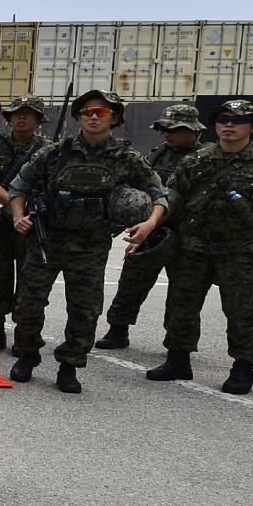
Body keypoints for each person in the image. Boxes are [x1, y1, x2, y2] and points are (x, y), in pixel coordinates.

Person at [142, 99, 253, 395]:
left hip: (240, 251)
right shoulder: (197, 161)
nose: (229, 125)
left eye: (238, 120)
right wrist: (150, 224)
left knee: (244, 311)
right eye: (223, 119)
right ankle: (178, 359)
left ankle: (243, 368)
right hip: (193, 247)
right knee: (182, 305)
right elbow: (172, 198)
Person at [6, 89, 166, 393]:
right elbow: (19, 187)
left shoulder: (126, 158)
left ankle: (70, 365)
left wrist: (149, 223)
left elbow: (160, 195)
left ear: (114, 119)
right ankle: (27, 355)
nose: (94, 117)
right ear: (79, 116)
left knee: (84, 310)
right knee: (27, 304)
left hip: (91, 246)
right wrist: (18, 217)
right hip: (47, 240)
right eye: (88, 112)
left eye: (102, 113)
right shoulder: (54, 154)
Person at [96, 104, 205, 351]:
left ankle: (179, 345)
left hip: (186, 234)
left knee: (184, 293)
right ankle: (118, 330)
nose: (168, 134)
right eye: (164, 128)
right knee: (131, 282)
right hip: (151, 230)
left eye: (176, 129)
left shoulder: (205, 158)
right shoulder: (158, 154)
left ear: (193, 131)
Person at [0, 98, 46, 348]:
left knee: (30, 282)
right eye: (17, 114)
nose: (22, 118)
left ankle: (25, 334)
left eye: (28, 114)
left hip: (32, 225)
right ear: (9, 118)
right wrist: (16, 206)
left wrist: (26, 212)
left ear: (38, 119)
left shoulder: (48, 149)